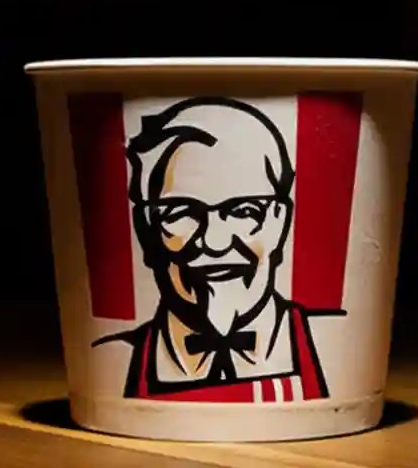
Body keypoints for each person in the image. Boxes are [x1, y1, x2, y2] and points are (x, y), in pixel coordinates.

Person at [93, 97, 333, 402]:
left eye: (245, 211)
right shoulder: (113, 362)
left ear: (280, 223)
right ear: (146, 230)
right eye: (180, 212)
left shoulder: (338, 348)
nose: (215, 243)